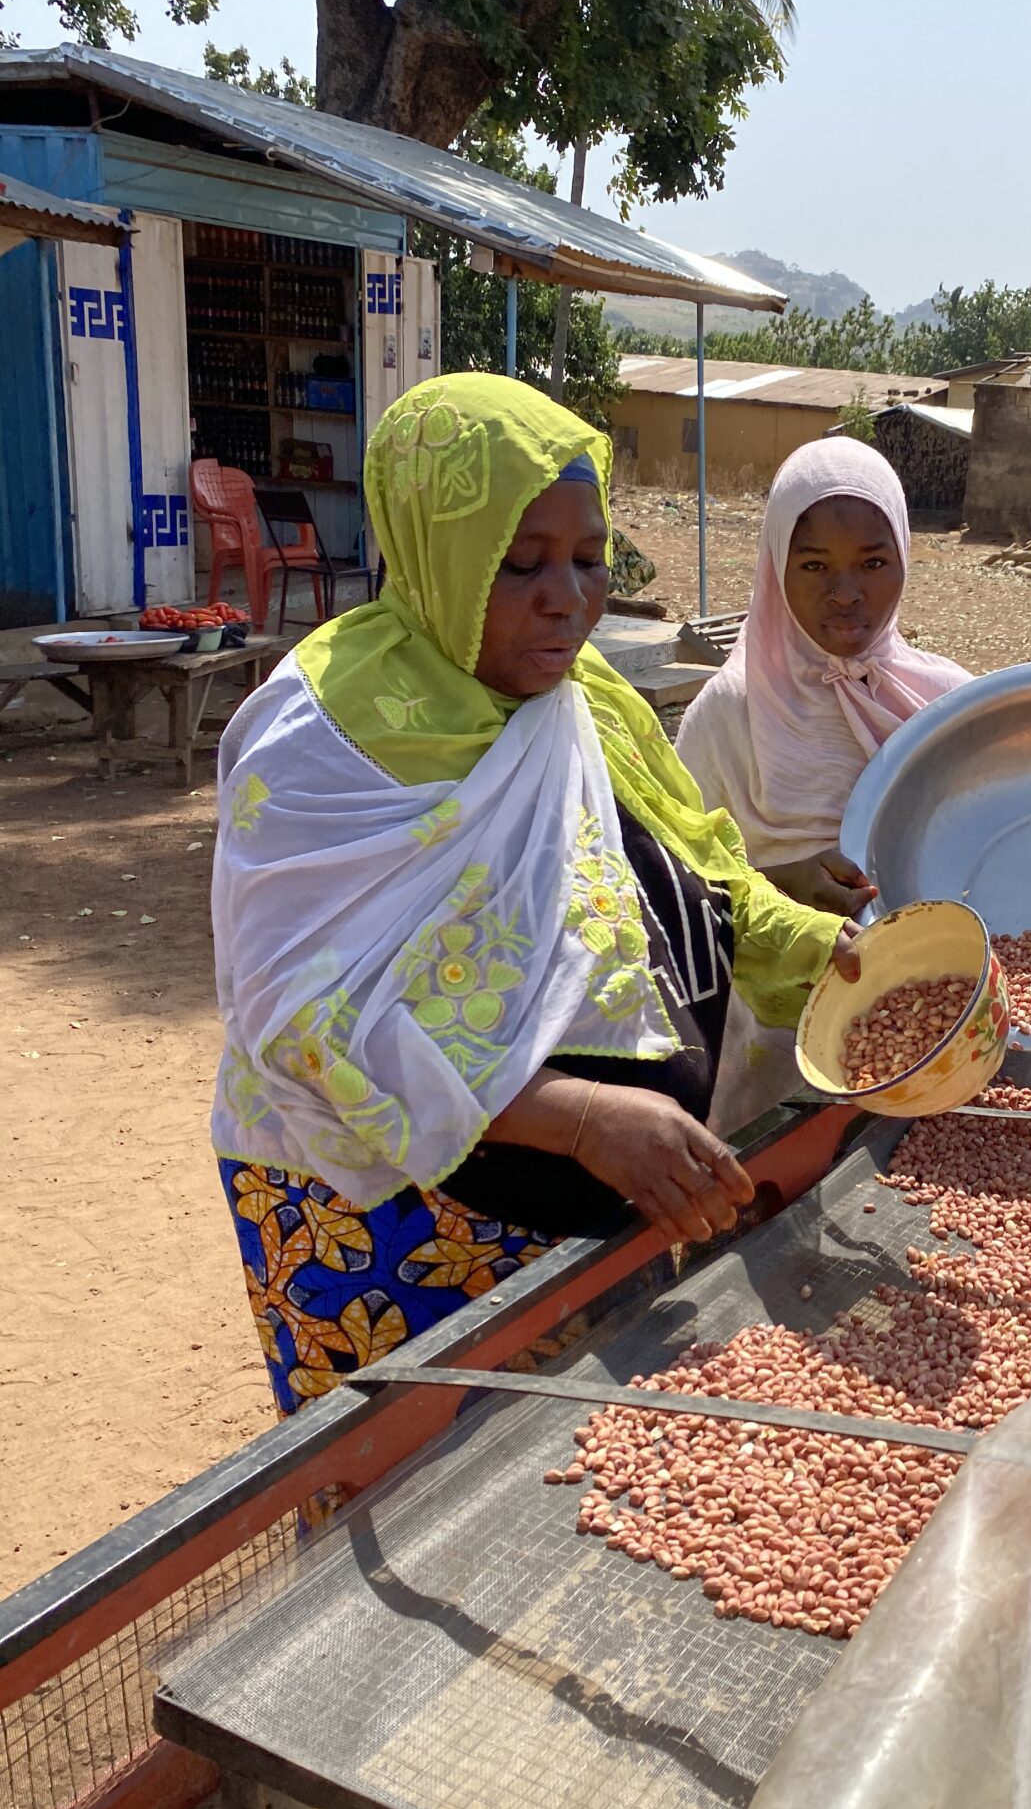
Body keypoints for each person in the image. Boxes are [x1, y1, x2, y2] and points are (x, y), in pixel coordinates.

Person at [211, 374, 858, 1417]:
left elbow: (695, 878)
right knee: (416, 1479)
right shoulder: (325, 739)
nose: (569, 597)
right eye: (521, 564)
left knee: (567, 1460)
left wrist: (826, 952)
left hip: (585, 1200)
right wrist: (581, 1118)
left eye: (591, 559)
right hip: (391, 1219)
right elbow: (300, 1020)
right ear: (438, 552)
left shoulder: (582, 696)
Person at [676, 438, 971, 918]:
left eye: (872, 563)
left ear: (903, 557)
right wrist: (778, 888)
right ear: (777, 567)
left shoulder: (951, 704)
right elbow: (673, 883)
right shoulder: (731, 712)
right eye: (814, 565)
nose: (845, 593)